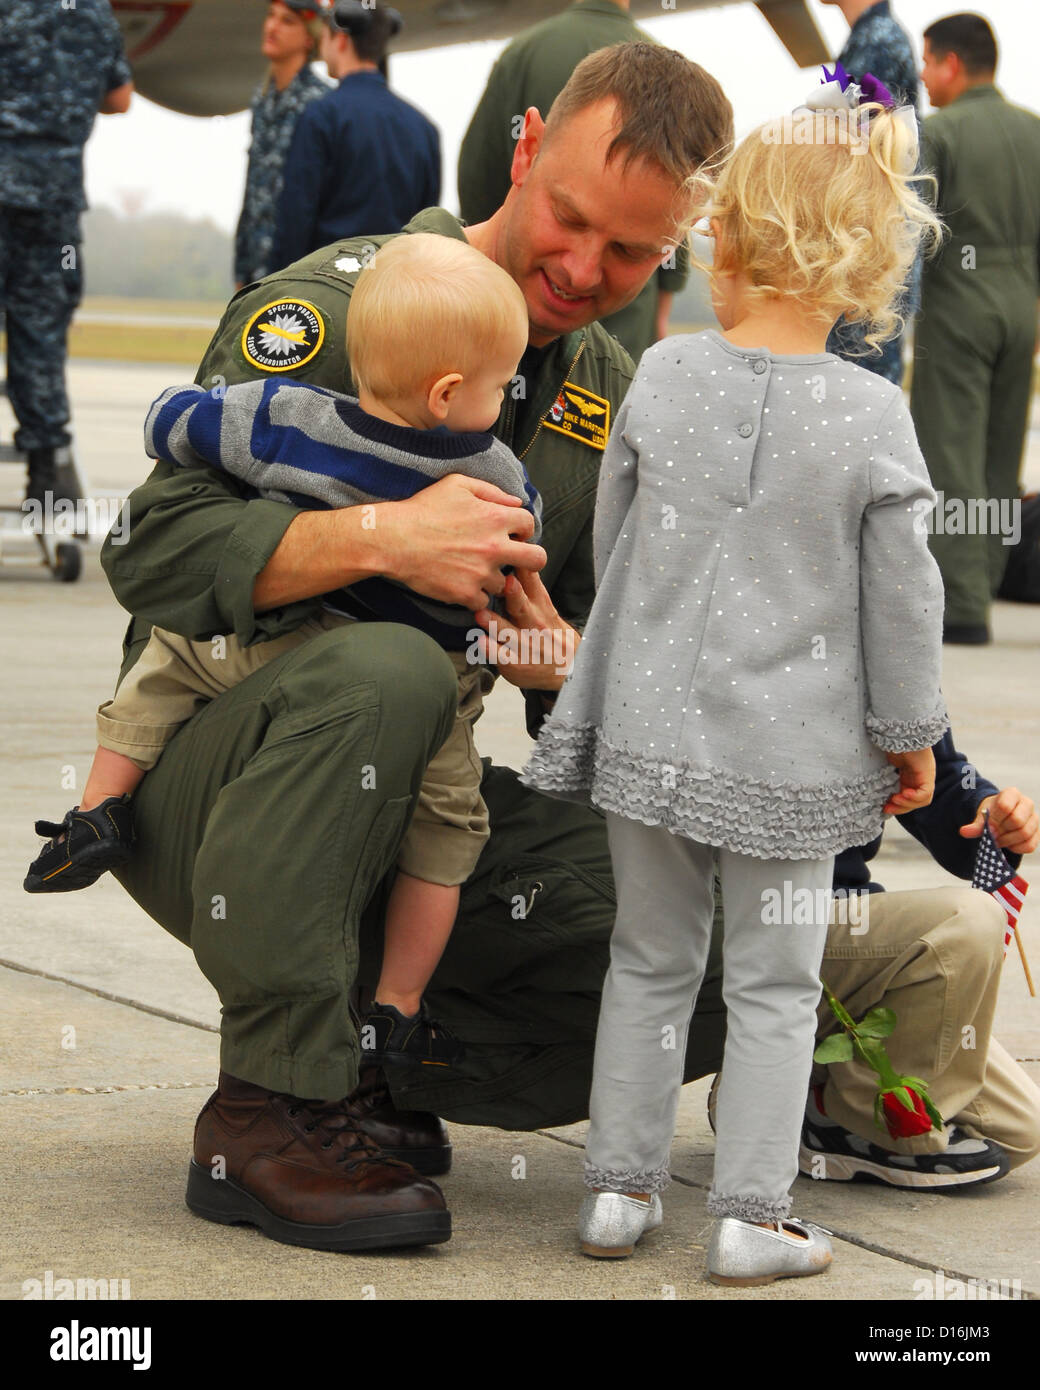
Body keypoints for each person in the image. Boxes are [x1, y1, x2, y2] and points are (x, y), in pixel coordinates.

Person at [95, 43, 734, 1253]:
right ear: (527, 147)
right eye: (571, 220)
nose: (581, 269)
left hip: (405, 814)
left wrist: (568, 666)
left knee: (694, 928)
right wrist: (383, 536)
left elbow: (621, 665)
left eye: (633, 253)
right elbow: (152, 551)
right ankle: (268, 1105)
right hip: (214, 779)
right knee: (386, 667)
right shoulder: (344, 308)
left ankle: (382, 1072)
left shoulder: (609, 391)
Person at [522, 83, 947, 1283]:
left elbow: (613, 546)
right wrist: (905, 733)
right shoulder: (874, 415)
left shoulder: (658, 376)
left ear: (734, 235)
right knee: (773, 980)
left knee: (647, 959)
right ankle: (750, 1213)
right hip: (791, 752)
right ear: (857, 255)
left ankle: (616, 1189)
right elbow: (899, 600)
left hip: (647, 732)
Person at [26, 233, 536, 1101]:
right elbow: (515, 575)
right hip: (428, 703)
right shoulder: (494, 474)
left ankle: (96, 812)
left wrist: (168, 420)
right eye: (500, 386)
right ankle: (397, 1006)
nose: (504, 399)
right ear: (450, 394)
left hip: (280, 657)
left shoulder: (295, 416)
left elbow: (184, 424)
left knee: (173, 655)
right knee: (448, 836)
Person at [801, 729, 1040, 1187]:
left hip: (843, 919)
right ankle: (842, 1119)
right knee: (967, 920)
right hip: (755, 919)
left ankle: (809, 1096)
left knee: (1012, 1131)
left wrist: (986, 812)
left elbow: (942, 777)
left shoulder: (895, 672)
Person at [457, 2, 689, 363]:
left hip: (504, 328)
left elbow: (477, 184)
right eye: (568, 215)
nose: (581, 274)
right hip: (624, 342)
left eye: (625, 249)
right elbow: (674, 217)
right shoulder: (671, 86)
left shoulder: (524, 53)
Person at [910, 13, 1040, 645]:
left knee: (951, 450)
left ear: (953, 64)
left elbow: (914, 227)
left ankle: (961, 604)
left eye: (929, 62)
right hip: (1023, 309)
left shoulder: (941, 130)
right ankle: (985, 577)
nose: (926, 77)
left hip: (961, 306)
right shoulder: (1034, 131)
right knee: (998, 457)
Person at [0, 0, 132, 505]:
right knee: (42, 332)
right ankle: (50, 473)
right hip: (54, 208)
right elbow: (120, 97)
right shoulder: (94, 14)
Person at [270, 0, 439, 272]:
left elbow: (295, 220)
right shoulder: (423, 128)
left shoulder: (320, 117)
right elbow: (426, 228)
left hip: (325, 286)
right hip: (393, 294)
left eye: (324, 35)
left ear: (340, 39)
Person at [819, 0, 920, 382]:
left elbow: (849, 139)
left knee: (854, 379)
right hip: (872, 236)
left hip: (863, 239)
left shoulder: (876, 40)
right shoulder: (875, 35)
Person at [233, 1, 330, 289]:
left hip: (298, 266)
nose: (272, 27)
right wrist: (241, 265)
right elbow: (253, 186)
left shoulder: (319, 103)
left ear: (309, 37)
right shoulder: (263, 98)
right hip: (256, 264)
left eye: (287, 21)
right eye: (270, 16)